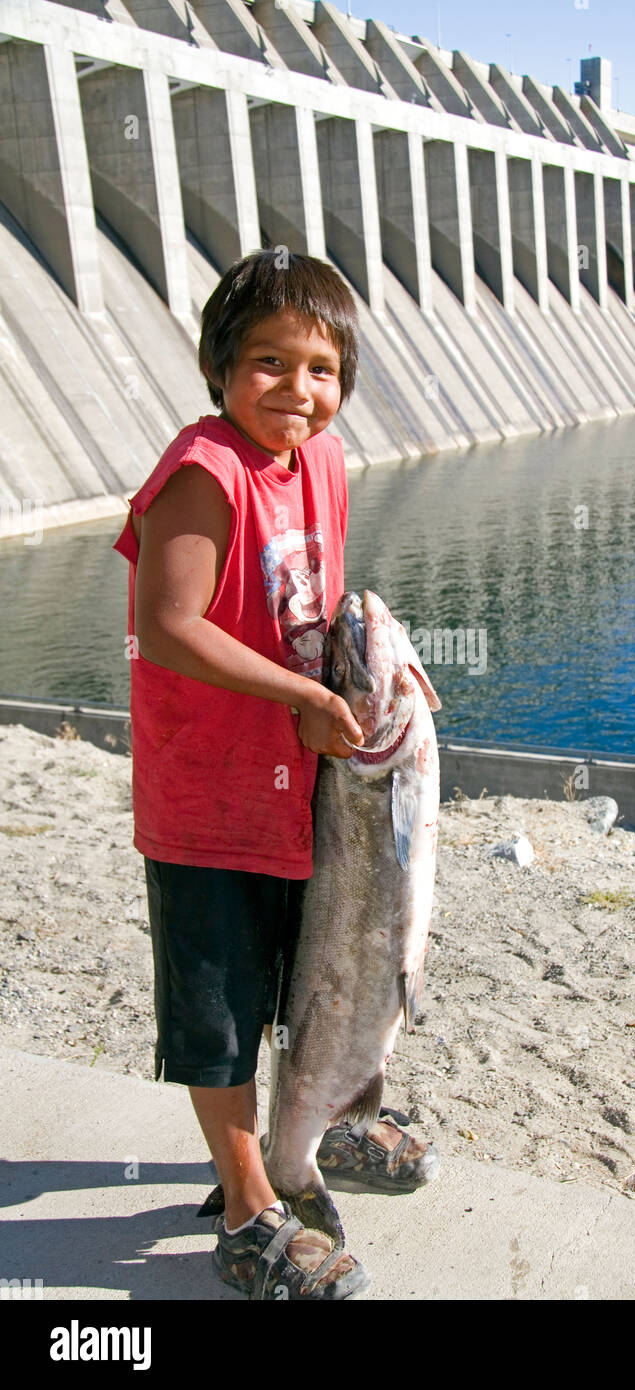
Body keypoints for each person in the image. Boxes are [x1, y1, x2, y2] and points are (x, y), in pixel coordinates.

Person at [112, 248, 438, 1301]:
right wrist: (298, 700)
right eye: (266, 363)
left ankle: (328, 1124)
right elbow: (167, 628)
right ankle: (250, 1206)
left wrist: (378, 672)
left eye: (320, 369)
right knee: (219, 1010)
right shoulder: (203, 472)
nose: (295, 390)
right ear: (217, 368)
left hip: (298, 794)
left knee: (310, 985)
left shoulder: (325, 464)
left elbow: (321, 606)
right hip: (206, 794)